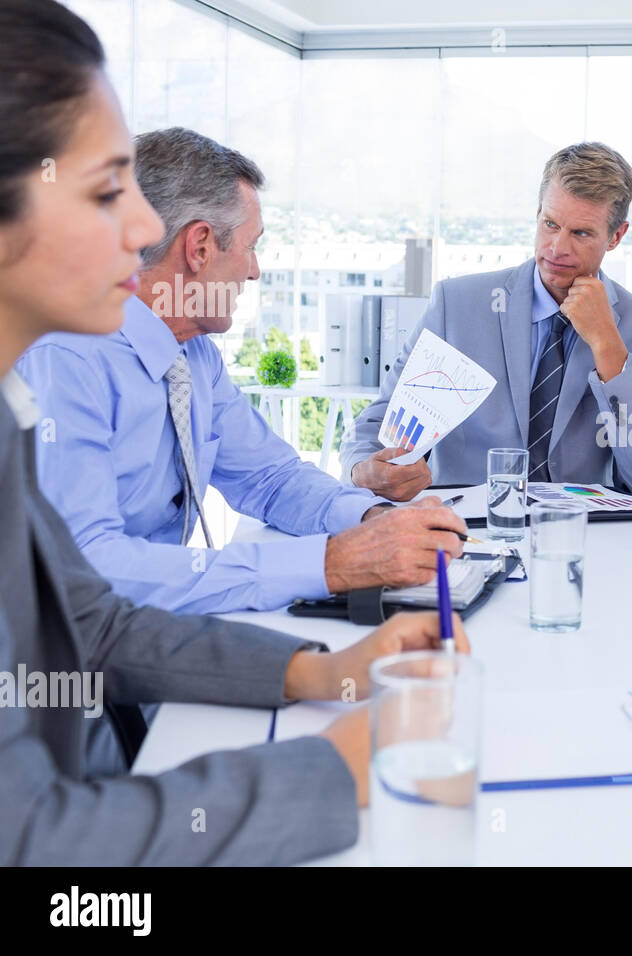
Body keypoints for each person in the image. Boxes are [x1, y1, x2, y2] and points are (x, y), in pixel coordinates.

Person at [0, 0, 467, 864]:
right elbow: (35, 837)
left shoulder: (166, 366)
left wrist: (320, 664)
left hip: (119, 705)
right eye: (109, 195)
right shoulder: (60, 368)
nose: (142, 233)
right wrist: (326, 770)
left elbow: (96, 615)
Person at [16, 126, 467, 615]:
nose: (253, 271)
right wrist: (332, 563)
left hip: (151, 631)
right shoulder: (65, 359)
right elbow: (88, 565)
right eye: (251, 247)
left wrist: (375, 520)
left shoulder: (193, 355)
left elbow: (271, 479)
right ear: (200, 247)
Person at [341, 142, 632, 499]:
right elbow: (374, 429)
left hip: (580, 534)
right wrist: (363, 470)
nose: (557, 248)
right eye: (550, 224)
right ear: (538, 214)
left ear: (616, 236)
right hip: (466, 530)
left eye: (580, 233)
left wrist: (608, 347)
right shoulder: (456, 306)